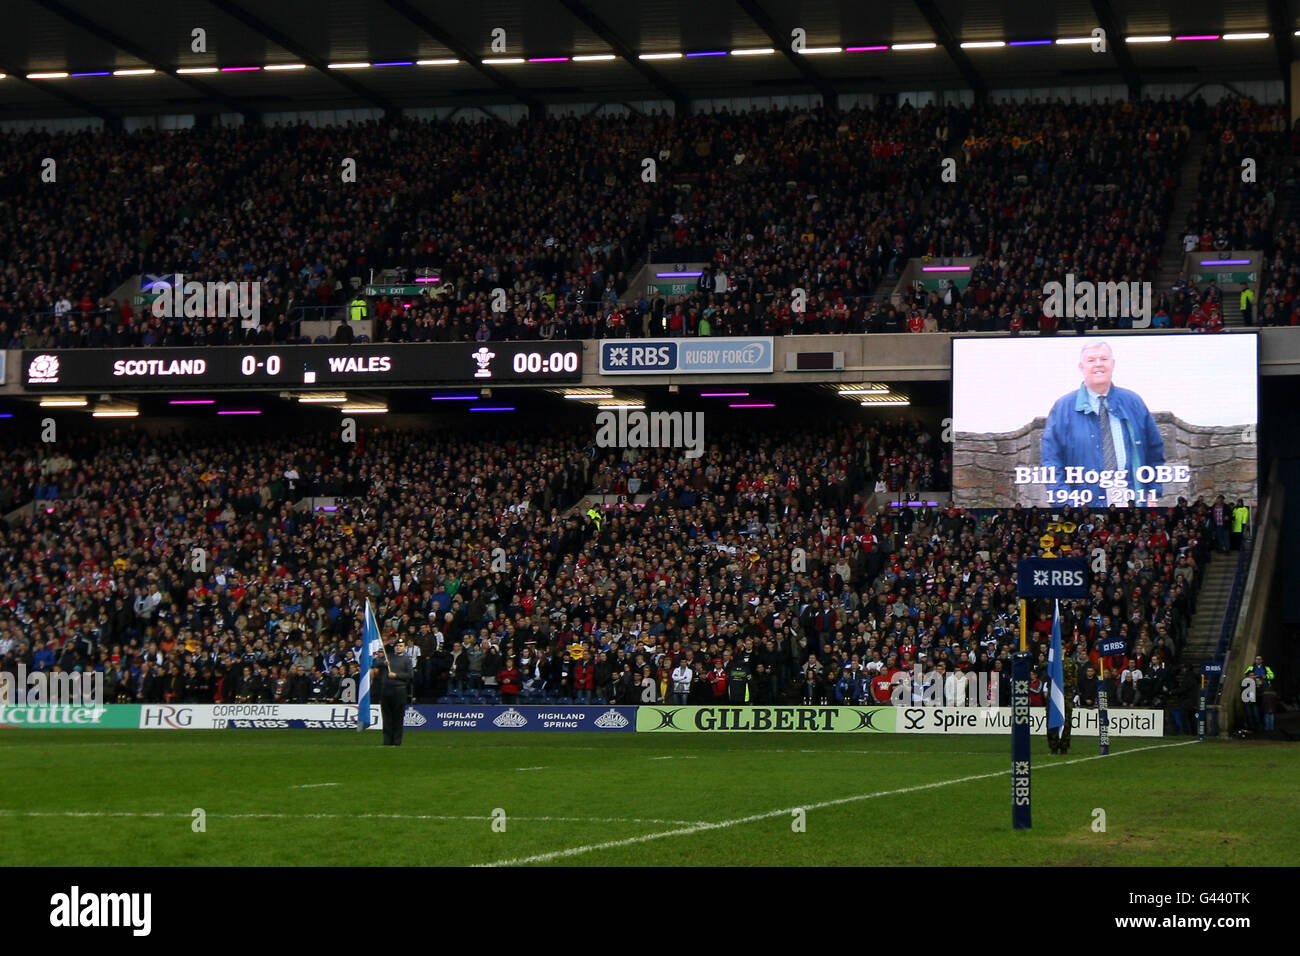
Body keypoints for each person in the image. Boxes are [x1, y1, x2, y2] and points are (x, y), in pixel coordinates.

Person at [1041, 341, 1166, 508]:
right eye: (1091, 360)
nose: (1098, 364)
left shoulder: (1133, 402)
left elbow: (1155, 453)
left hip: (1132, 503)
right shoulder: (1063, 408)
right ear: (1081, 367)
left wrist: (1151, 493)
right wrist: (1068, 504)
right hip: (1084, 508)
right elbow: (1051, 463)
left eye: (1104, 359)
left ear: (1113, 364)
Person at [379, 638, 413, 747]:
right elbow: (375, 663)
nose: (398, 647)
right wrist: (383, 663)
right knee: (387, 717)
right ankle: (387, 741)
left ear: (404, 647)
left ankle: (397, 742)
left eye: (401, 645)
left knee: (398, 717)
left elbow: (410, 675)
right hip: (386, 690)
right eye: (397, 645)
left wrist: (396, 675)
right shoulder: (388, 656)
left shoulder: (407, 659)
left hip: (399, 690)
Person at [1047, 649, 1077, 754]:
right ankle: (1053, 746)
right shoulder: (1051, 661)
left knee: (1067, 721)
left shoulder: (1070, 662)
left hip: (1066, 695)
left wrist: (1062, 685)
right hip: (1053, 696)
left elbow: (1075, 679)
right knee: (1052, 721)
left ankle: (1064, 746)